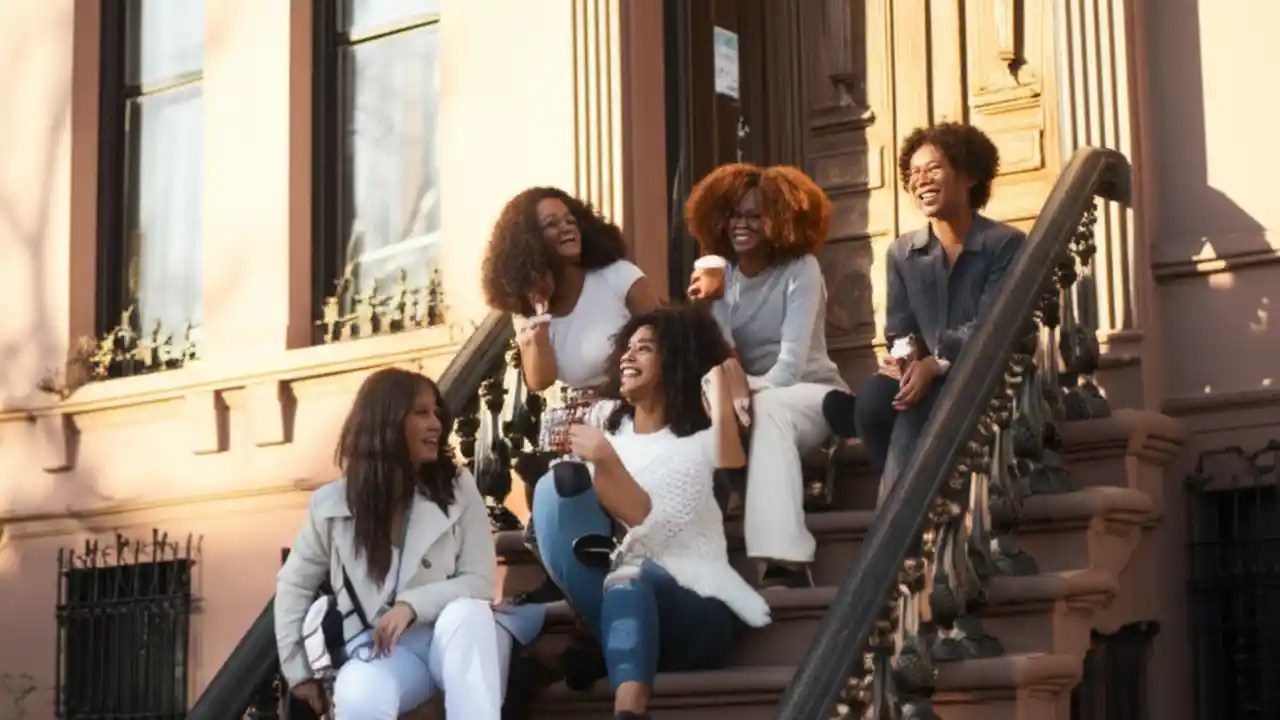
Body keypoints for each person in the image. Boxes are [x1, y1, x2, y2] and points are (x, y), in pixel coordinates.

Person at [531, 306, 771, 720]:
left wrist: (606, 462)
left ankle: (628, 707)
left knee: (635, 572)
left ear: (676, 361)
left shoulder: (699, 443)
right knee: (556, 490)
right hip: (626, 595)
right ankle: (625, 686)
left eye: (643, 349)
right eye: (626, 348)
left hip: (695, 606)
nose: (628, 356)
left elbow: (659, 532)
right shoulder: (612, 433)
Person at [274, 368, 541, 719]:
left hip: (452, 641)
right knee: (358, 691)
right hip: (384, 651)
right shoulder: (331, 505)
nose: (436, 425)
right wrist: (299, 672)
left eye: (436, 413)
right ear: (387, 422)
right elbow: (293, 585)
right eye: (421, 413)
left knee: (468, 614)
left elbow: (480, 582)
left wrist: (412, 605)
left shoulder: (457, 486)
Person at [822, 122, 1025, 501]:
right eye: (913, 173)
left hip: (980, 371)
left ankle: (898, 516)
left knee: (913, 412)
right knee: (874, 399)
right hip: (925, 370)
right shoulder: (902, 253)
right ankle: (910, 499)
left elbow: (993, 323)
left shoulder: (1005, 244)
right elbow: (900, 329)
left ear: (969, 175)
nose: (921, 180)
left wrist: (934, 364)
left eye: (933, 168)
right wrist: (905, 358)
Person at [482, 187, 664, 602]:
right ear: (529, 242)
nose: (567, 228)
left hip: (639, 399)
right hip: (582, 409)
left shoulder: (617, 276)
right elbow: (539, 380)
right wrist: (540, 325)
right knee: (544, 457)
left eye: (569, 219)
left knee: (576, 441)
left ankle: (605, 553)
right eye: (551, 224)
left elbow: (665, 339)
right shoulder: (527, 306)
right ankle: (562, 561)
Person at [683, 163, 849, 588]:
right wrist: (708, 309)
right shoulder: (723, 277)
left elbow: (790, 367)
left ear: (780, 218)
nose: (742, 224)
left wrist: (742, 395)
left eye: (755, 215)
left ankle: (784, 563)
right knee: (702, 394)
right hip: (745, 401)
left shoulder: (801, 270)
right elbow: (725, 359)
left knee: (767, 405)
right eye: (735, 214)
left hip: (810, 394)